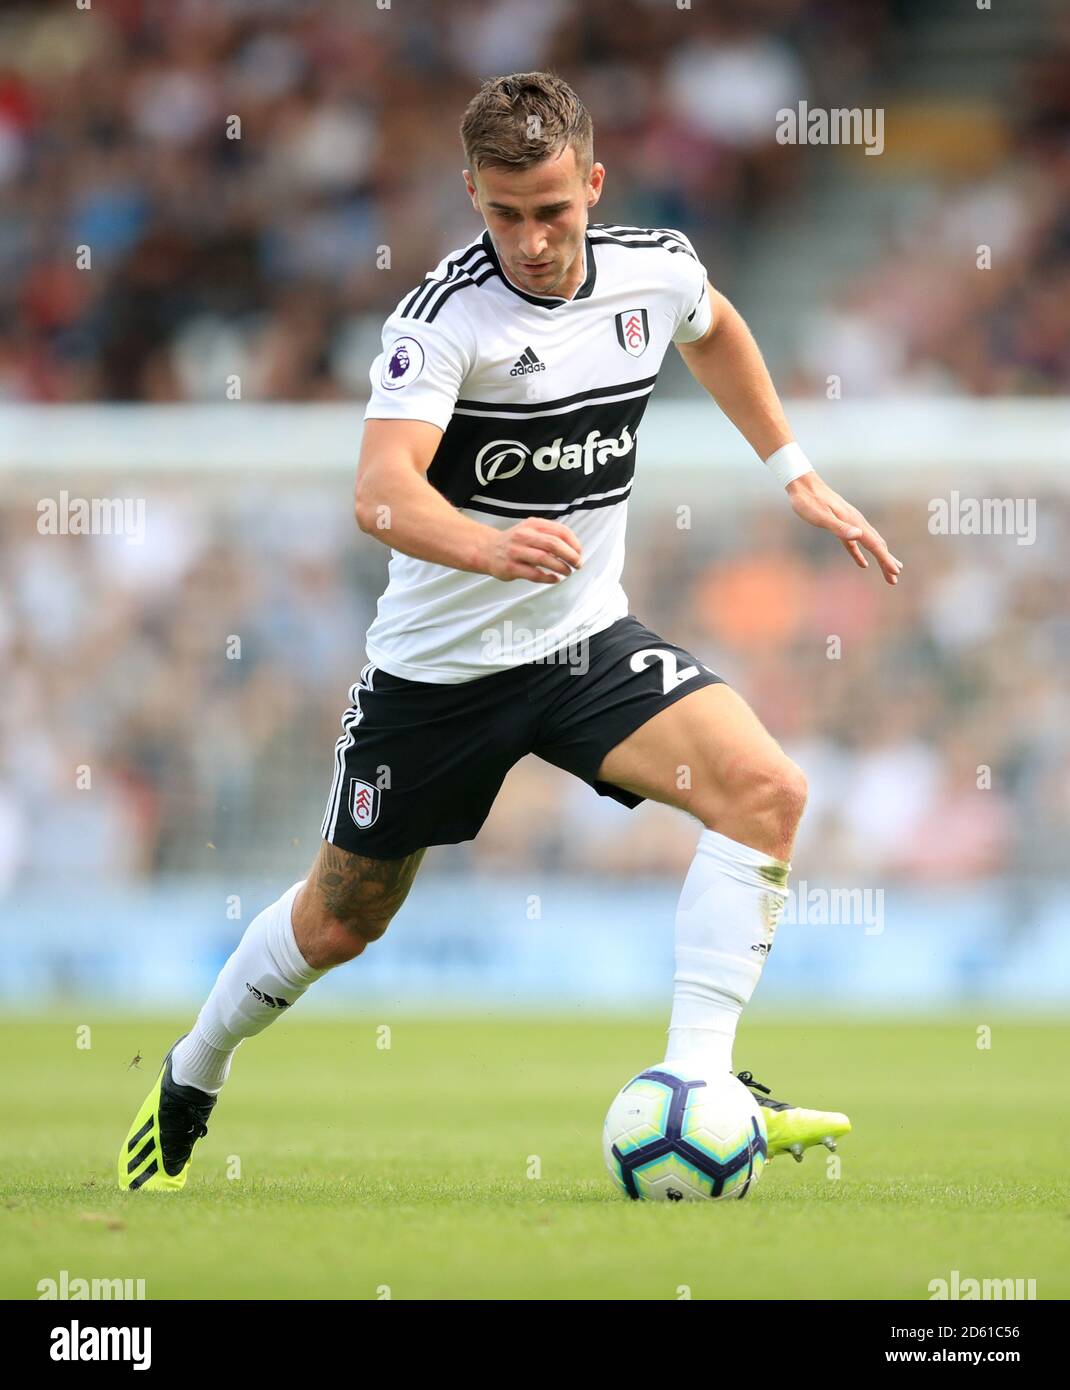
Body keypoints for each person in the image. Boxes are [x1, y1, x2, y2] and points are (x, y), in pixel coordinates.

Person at [120, 71, 901, 1193]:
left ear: (592, 183)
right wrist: (488, 544)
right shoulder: (442, 323)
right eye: (502, 214)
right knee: (343, 920)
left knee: (765, 791)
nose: (530, 241)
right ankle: (195, 1068)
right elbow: (379, 491)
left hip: (581, 645)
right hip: (436, 675)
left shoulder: (654, 271)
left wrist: (793, 472)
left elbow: (714, 325)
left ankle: (699, 1083)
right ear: (471, 197)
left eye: (551, 210)